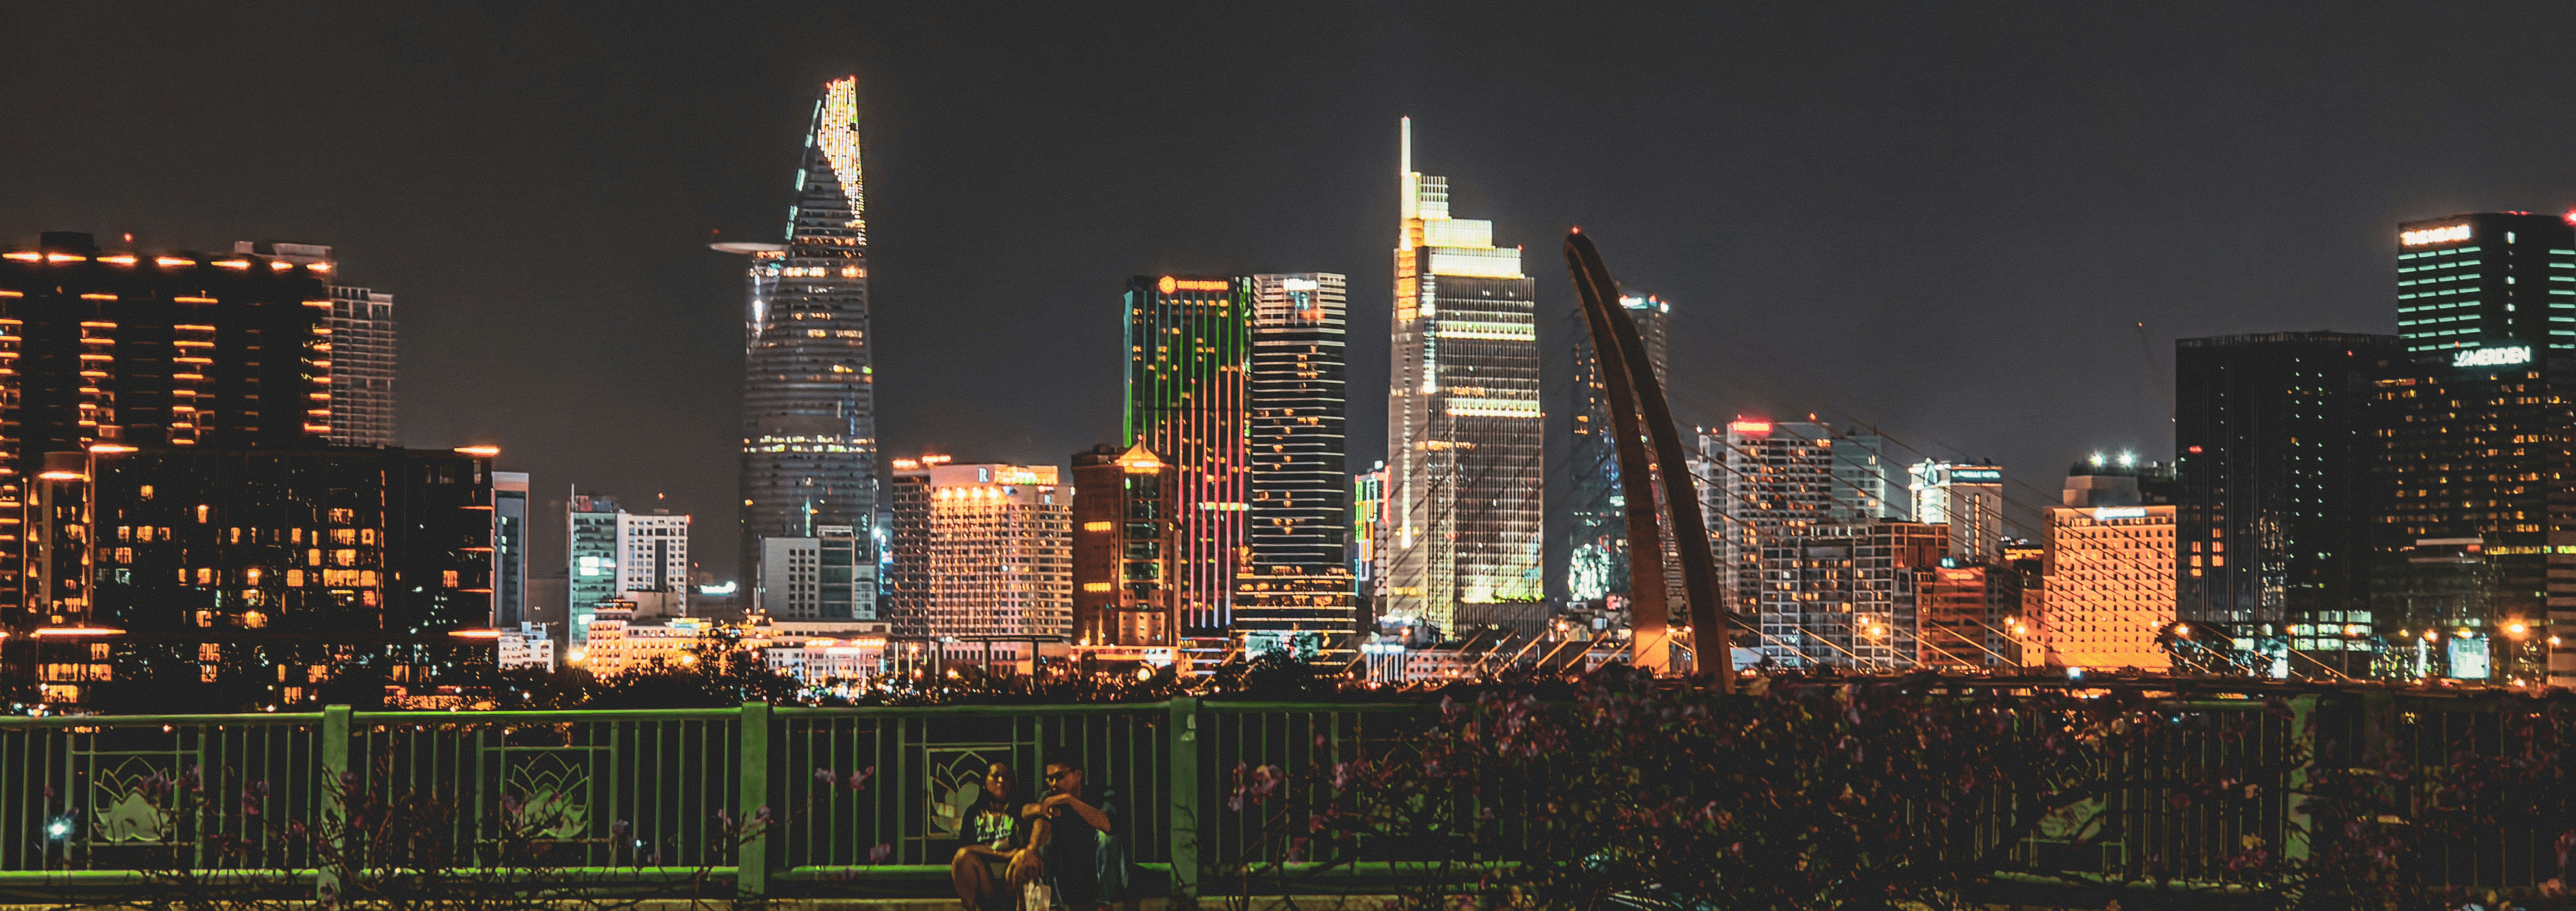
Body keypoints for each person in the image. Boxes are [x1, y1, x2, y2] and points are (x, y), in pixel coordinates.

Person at [1024, 761, 1115, 911]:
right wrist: (1042, 808)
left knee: (1109, 840)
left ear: (1078, 775)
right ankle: (1050, 906)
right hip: (1067, 874)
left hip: (1098, 875)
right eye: (1050, 779)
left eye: (1059, 777)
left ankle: (1105, 903)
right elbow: (1026, 812)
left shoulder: (1100, 794)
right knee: (1043, 840)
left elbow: (1107, 825)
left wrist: (1070, 800)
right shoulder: (1051, 797)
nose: (1053, 783)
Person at [950, 763, 1042, 911]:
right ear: (985, 783)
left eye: (1006, 778)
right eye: (995, 776)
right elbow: (966, 849)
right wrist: (1004, 855)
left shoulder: (1018, 809)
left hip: (1013, 879)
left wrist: (1048, 804)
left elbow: (1038, 812)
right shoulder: (974, 813)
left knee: (1025, 856)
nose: (1001, 781)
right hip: (985, 880)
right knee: (962, 857)